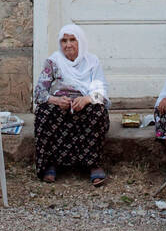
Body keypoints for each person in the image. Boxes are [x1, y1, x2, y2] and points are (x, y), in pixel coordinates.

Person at [32, 23, 111, 186]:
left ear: (80, 41)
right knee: (45, 112)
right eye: (64, 40)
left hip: (82, 103)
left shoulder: (92, 62)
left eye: (72, 40)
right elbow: (39, 93)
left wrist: (87, 99)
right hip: (60, 104)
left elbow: (101, 92)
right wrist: (56, 100)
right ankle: (50, 164)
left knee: (97, 111)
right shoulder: (53, 62)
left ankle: (93, 164)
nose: (68, 45)